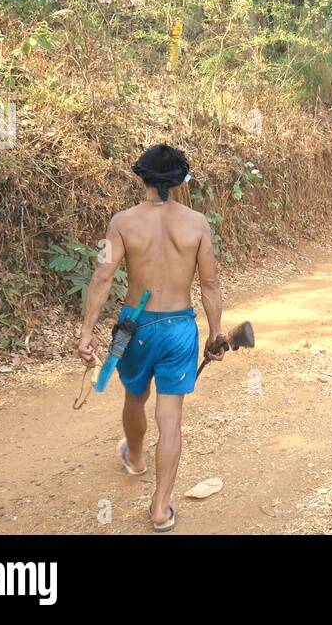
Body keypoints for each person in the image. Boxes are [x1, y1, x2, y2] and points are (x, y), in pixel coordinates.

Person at [76, 144, 224, 533]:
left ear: (142, 177)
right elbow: (209, 283)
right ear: (178, 182)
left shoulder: (122, 222)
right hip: (179, 327)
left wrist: (87, 331)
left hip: (135, 326)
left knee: (135, 396)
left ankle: (136, 456)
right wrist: (215, 332)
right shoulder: (197, 224)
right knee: (170, 416)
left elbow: (103, 277)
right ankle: (160, 507)